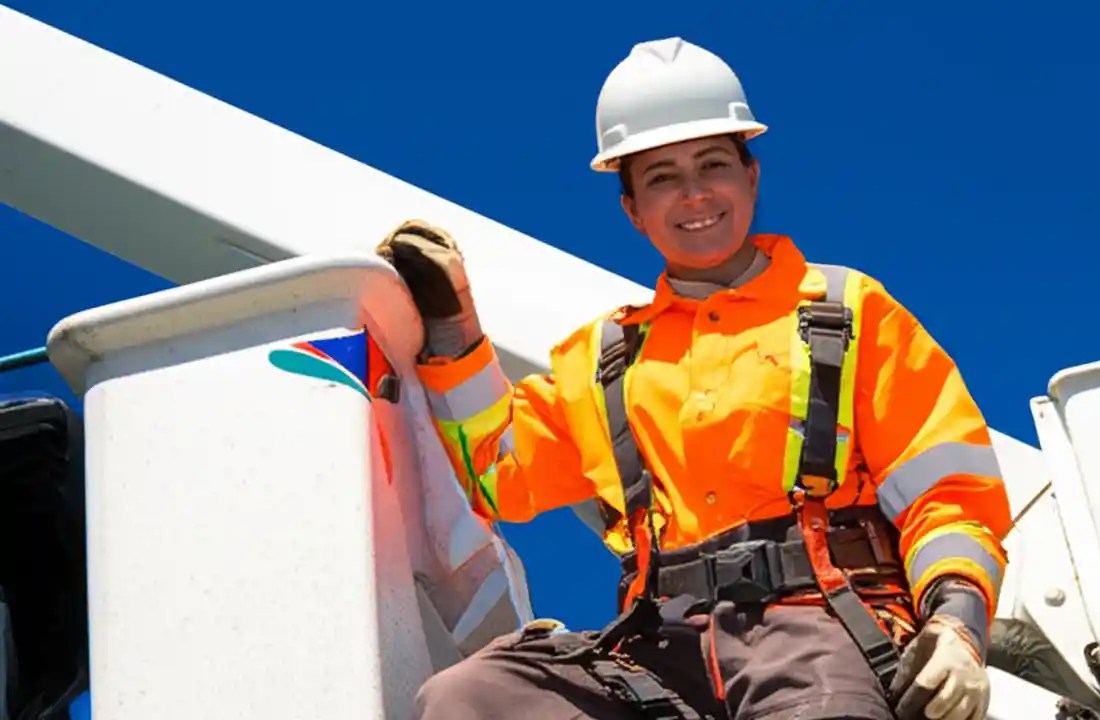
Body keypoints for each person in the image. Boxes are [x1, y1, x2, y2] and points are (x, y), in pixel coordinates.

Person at [377, 36, 1012, 720]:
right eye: (661, 177)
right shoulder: (604, 358)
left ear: (752, 176)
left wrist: (955, 627)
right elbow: (499, 472)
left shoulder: (847, 311)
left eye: (713, 164)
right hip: (656, 652)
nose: (695, 193)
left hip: (822, 631)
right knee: (469, 697)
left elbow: (948, 493)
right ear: (631, 208)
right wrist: (454, 332)